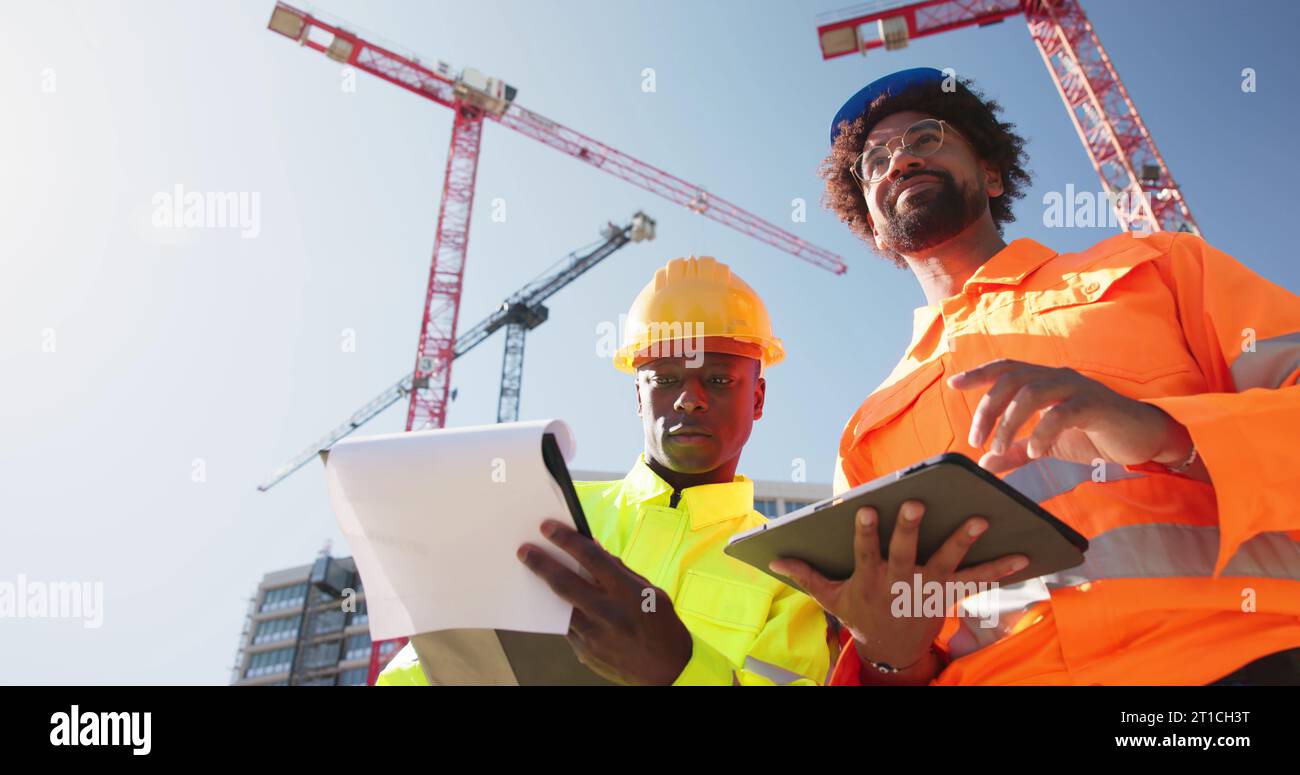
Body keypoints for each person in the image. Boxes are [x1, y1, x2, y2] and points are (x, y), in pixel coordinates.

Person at [771, 67, 1300, 685]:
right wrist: (892, 652)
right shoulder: (865, 434)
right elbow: (898, 656)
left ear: (991, 173)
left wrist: (1168, 434)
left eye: (925, 137)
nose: (900, 162)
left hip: (1235, 661)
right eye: (877, 160)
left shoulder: (1160, 267)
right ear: (872, 220)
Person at [379, 256, 830, 685]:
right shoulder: (546, 515)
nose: (688, 399)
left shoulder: (785, 570)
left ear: (757, 398)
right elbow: (431, 666)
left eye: (718, 379)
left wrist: (681, 670)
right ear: (639, 397)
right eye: (665, 378)